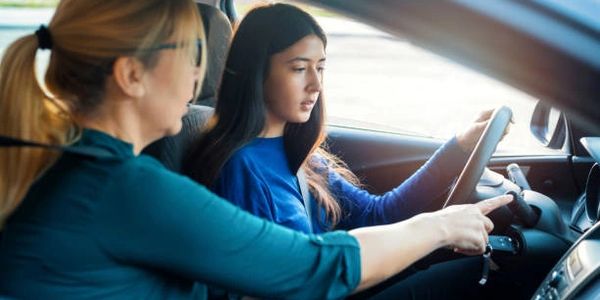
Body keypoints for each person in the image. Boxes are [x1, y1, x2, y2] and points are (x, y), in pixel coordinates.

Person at [0, 0, 511, 299]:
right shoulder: (122, 188)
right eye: (193, 54)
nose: (203, 73)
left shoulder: (98, 174)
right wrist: (439, 228)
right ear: (132, 75)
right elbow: (313, 269)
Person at [185, 3, 511, 298]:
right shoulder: (240, 168)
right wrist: (438, 228)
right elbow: (283, 284)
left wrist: (460, 146)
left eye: (321, 67)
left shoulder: (298, 154)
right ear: (258, 72)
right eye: (299, 68)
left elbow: (377, 214)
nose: (316, 84)